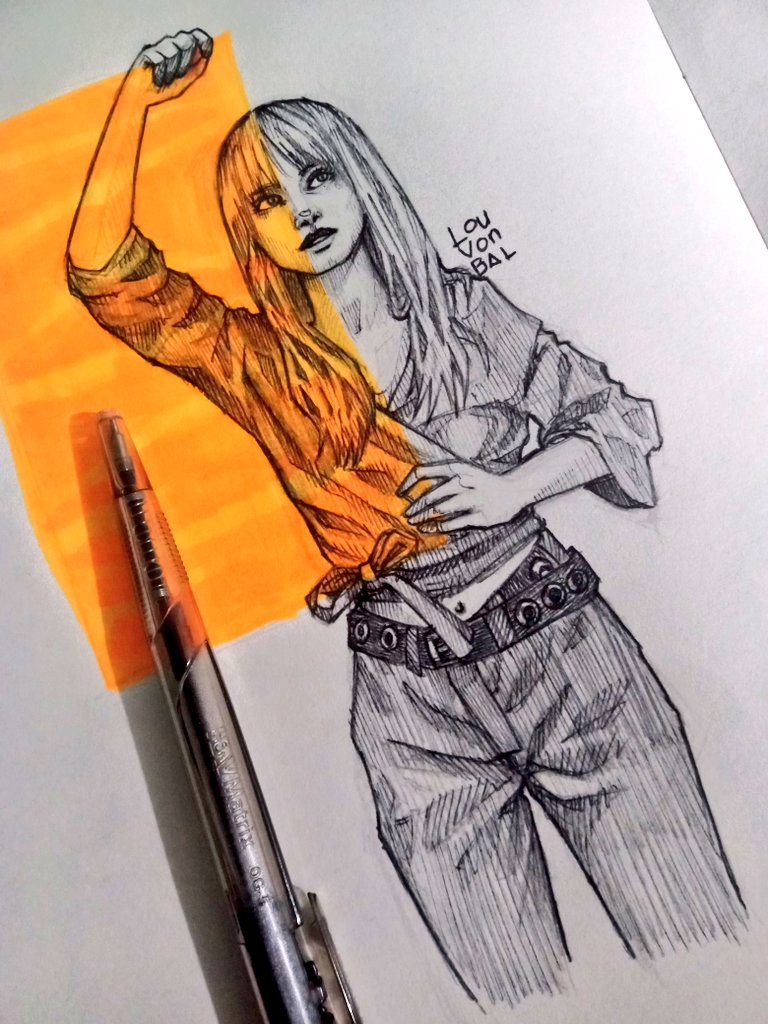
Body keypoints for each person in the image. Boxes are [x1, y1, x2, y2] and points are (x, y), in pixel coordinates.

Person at [67, 30, 746, 1009]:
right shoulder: (260, 362)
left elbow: (618, 422)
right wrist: (134, 100)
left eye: (317, 179)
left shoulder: (466, 314)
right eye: (266, 201)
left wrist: (516, 486)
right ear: (246, 231)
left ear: (365, 184)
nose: (300, 211)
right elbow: (106, 271)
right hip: (409, 705)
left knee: (701, 935)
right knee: (513, 994)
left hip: (567, 650)